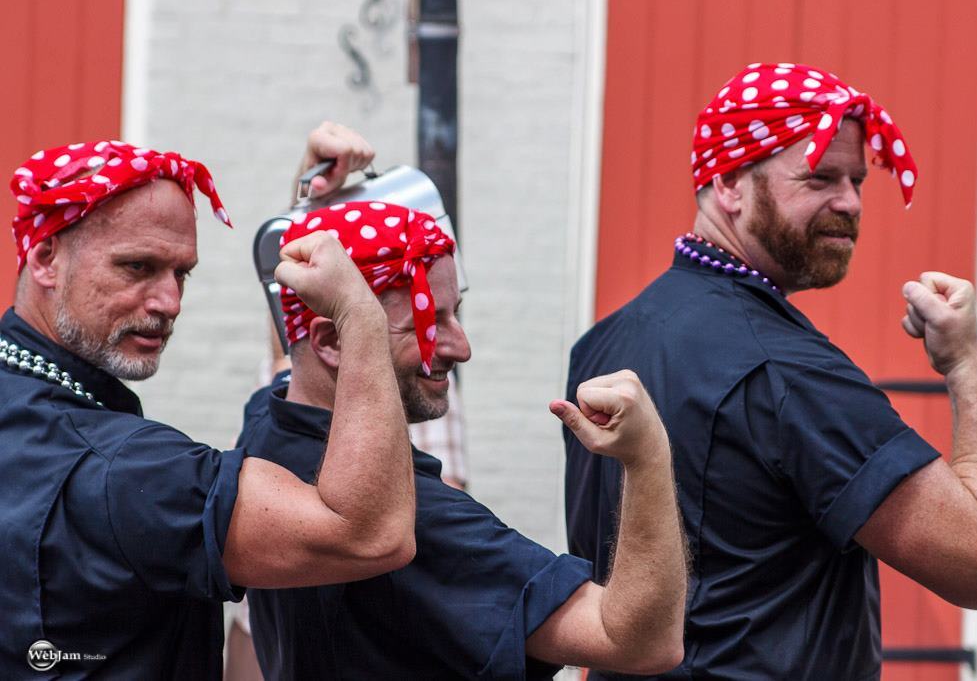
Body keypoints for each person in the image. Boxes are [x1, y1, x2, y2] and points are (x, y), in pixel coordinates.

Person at [564, 62, 977, 680]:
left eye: (858, 179)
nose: (851, 202)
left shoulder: (604, 342)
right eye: (820, 177)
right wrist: (964, 362)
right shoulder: (790, 372)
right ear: (729, 182)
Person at [239, 148, 687, 677]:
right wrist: (649, 457)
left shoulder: (270, 424)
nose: (460, 346)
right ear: (334, 339)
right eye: (431, 322)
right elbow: (639, 642)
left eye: (455, 314)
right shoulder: (422, 524)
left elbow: (293, 342)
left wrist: (307, 199)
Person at [0, 138, 416, 677]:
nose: (169, 303)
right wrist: (359, 314)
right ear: (46, 257)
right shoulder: (123, 469)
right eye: (137, 266)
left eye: (182, 273)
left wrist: (308, 224)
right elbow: (370, 535)